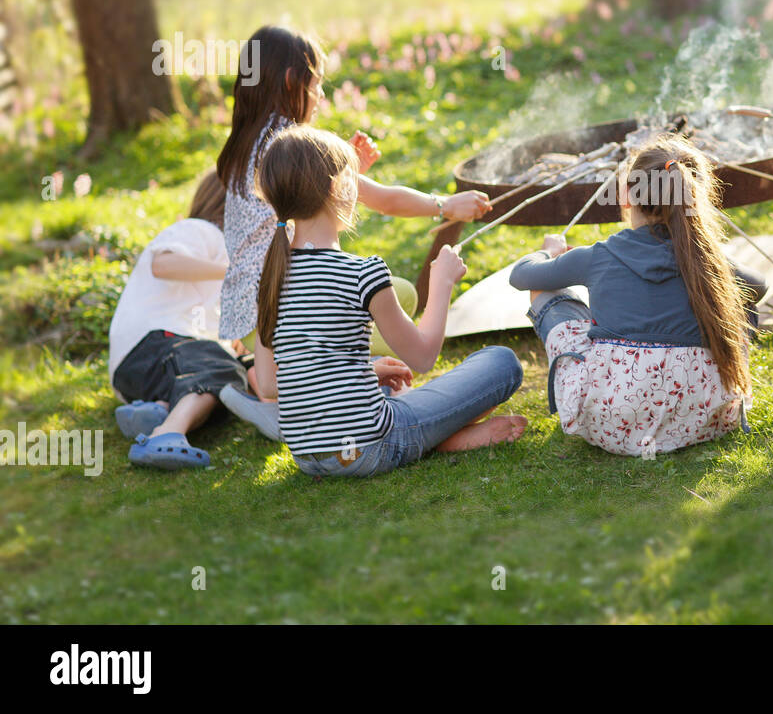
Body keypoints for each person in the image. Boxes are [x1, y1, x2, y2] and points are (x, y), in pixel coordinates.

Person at [214, 24, 489, 430]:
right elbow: (385, 199)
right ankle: (290, 387)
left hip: (257, 310)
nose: (321, 96)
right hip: (292, 302)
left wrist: (347, 172)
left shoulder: (244, 145)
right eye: (317, 84)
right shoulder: (289, 143)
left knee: (399, 296)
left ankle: (272, 374)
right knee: (400, 298)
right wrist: (446, 204)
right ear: (294, 81)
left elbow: (300, 210)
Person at [254, 124, 525, 478]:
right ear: (340, 188)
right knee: (502, 363)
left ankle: (432, 432)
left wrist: (367, 371)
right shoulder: (362, 274)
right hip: (373, 447)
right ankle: (440, 438)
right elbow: (423, 356)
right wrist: (441, 282)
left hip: (310, 458)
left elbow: (269, 384)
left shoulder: (271, 276)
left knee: (384, 364)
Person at [507, 135, 766, 456]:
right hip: (704, 417)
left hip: (612, 422)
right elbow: (758, 287)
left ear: (627, 195)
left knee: (546, 293)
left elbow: (521, 275)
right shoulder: (705, 258)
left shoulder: (596, 256)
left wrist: (549, 253)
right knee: (734, 305)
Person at [108, 171, 248, 469]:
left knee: (230, 386)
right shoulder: (199, 229)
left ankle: (157, 411)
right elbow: (164, 263)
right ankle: (167, 434)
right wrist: (233, 272)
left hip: (144, 372)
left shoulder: (225, 253)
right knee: (220, 369)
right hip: (155, 343)